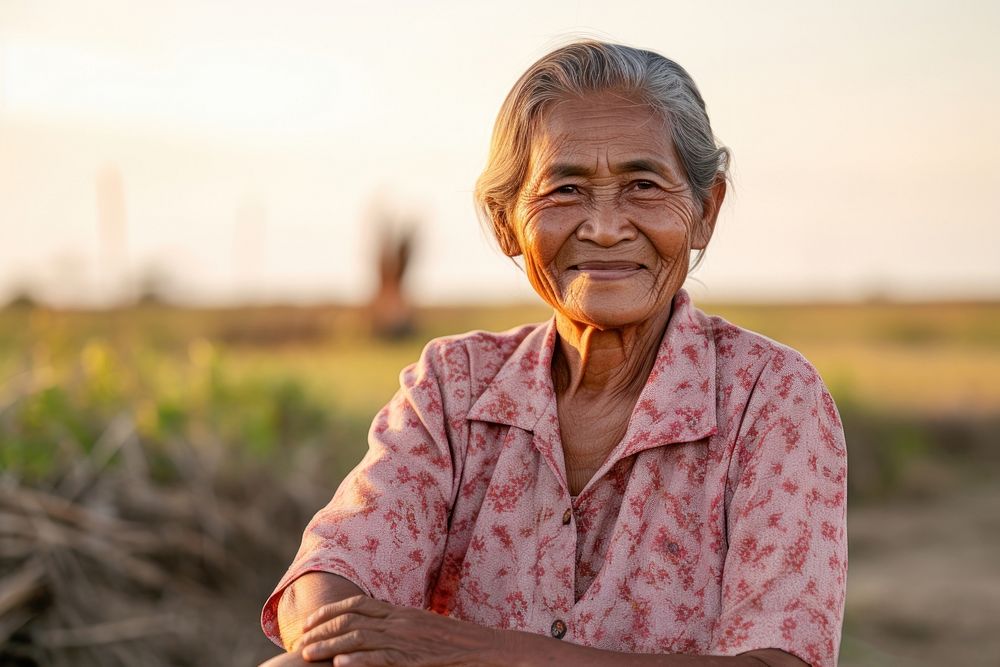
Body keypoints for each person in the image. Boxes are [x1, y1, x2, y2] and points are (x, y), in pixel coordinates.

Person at [260, 40, 847, 667]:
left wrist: (480, 652)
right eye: (564, 189)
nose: (605, 228)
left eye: (643, 185)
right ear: (506, 223)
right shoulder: (455, 387)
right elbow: (331, 571)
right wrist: (346, 636)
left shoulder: (770, 396)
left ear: (705, 211)